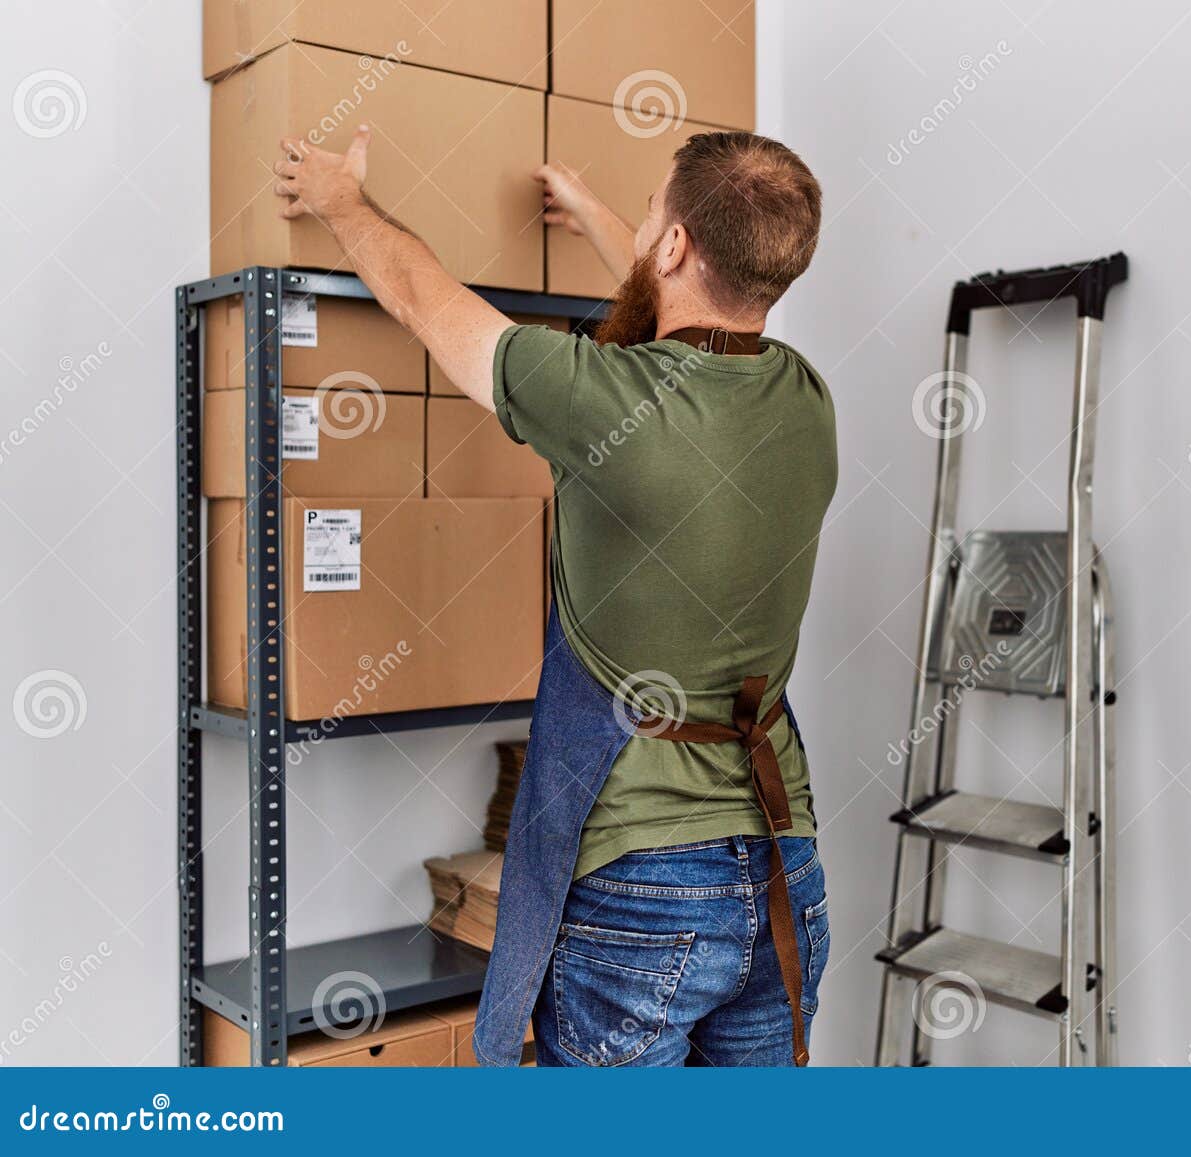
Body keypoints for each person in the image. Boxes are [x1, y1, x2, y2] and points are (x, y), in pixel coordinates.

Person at [273, 123, 835, 1067]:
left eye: (656, 211)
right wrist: (594, 213)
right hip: (783, 873)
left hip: (642, 891)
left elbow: (422, 300)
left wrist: (340, 200)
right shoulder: (806, 401)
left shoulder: (604, 399)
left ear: (676, 245)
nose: (648, 222)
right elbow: (706, 298)